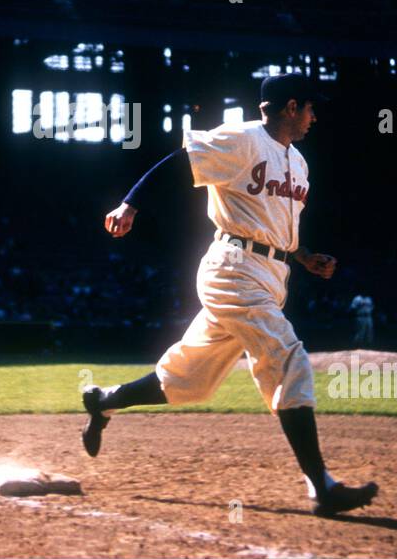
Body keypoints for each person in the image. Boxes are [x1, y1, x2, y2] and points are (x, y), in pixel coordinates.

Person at [84, 73, 378, 516]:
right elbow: (181, 161)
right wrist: (130, 204)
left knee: (189, 380)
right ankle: (321, 486)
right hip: (234, 269)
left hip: (272, 273)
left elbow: (278, 225)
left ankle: (104, 401)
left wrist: (305, 257)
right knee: (288, 358)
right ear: (291, 106)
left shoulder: (298, 162)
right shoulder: (241, 138)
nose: (315, 116)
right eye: (311, 108)